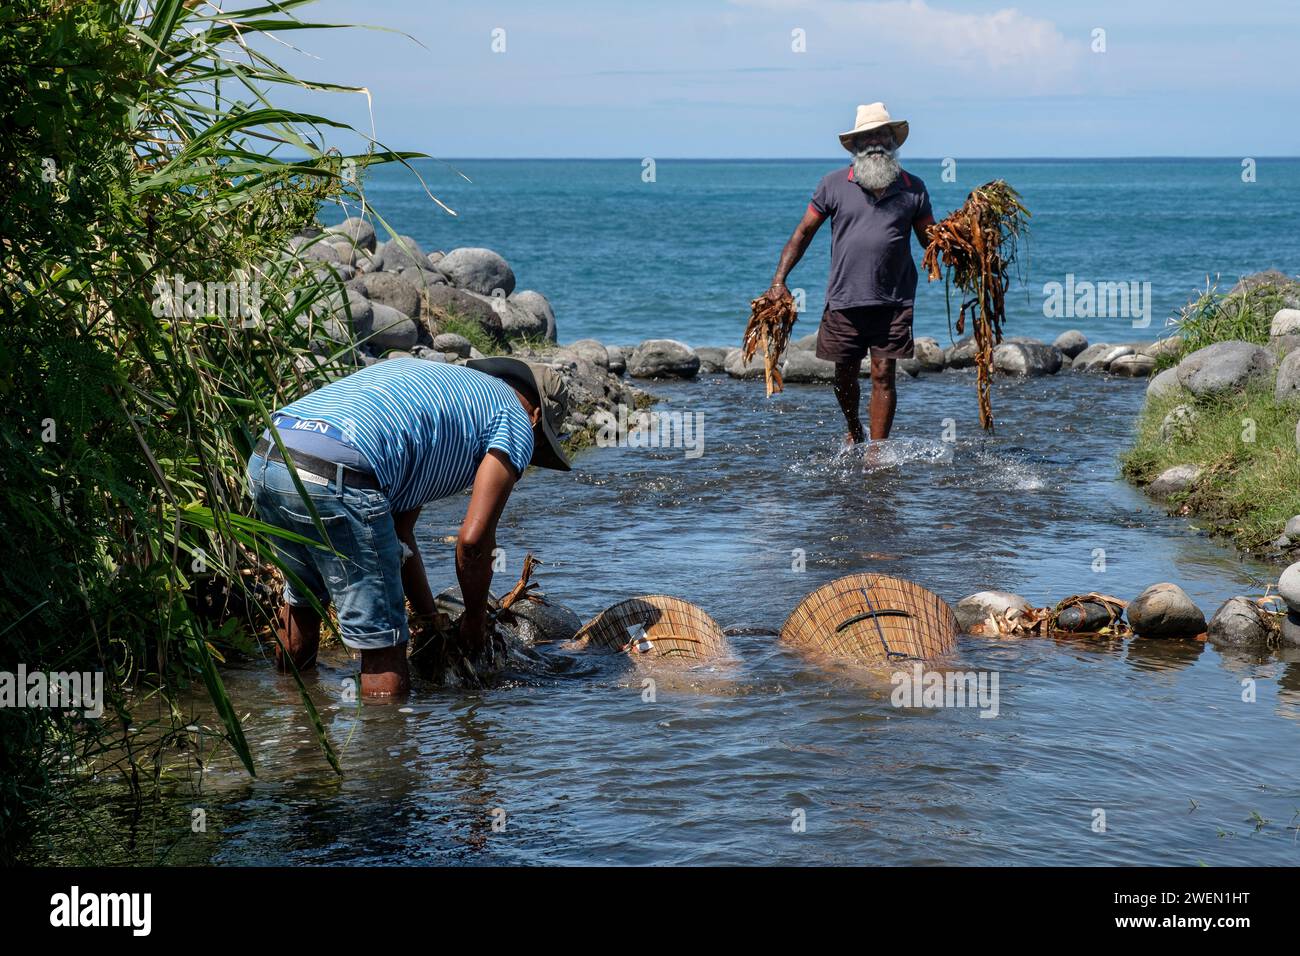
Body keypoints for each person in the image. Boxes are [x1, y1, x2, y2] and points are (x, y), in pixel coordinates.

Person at [245, 356, 571, 698]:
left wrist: (430, 619)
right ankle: (384, 745)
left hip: (271, 454)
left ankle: (293, 722)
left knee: (303, 605)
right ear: (537, 418)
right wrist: (475, 619)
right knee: (384, 644)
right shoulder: (516, 419)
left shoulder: (449, 395)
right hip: (341, 473)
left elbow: (399, 535)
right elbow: (473, 542)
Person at [763, 102, 936, 444]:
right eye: (867, 137)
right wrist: (779, 281)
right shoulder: (833, 185)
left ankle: (877, 450)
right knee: (844, 375)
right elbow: (803, 233)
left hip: (895, 300)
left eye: (882, 135)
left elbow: (930, 240)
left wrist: (963, 246)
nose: (875, 142)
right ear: (855, 145)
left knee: (884, 374)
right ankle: (854, 427)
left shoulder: (913, 187)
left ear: (893, 141)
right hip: (844, 297)